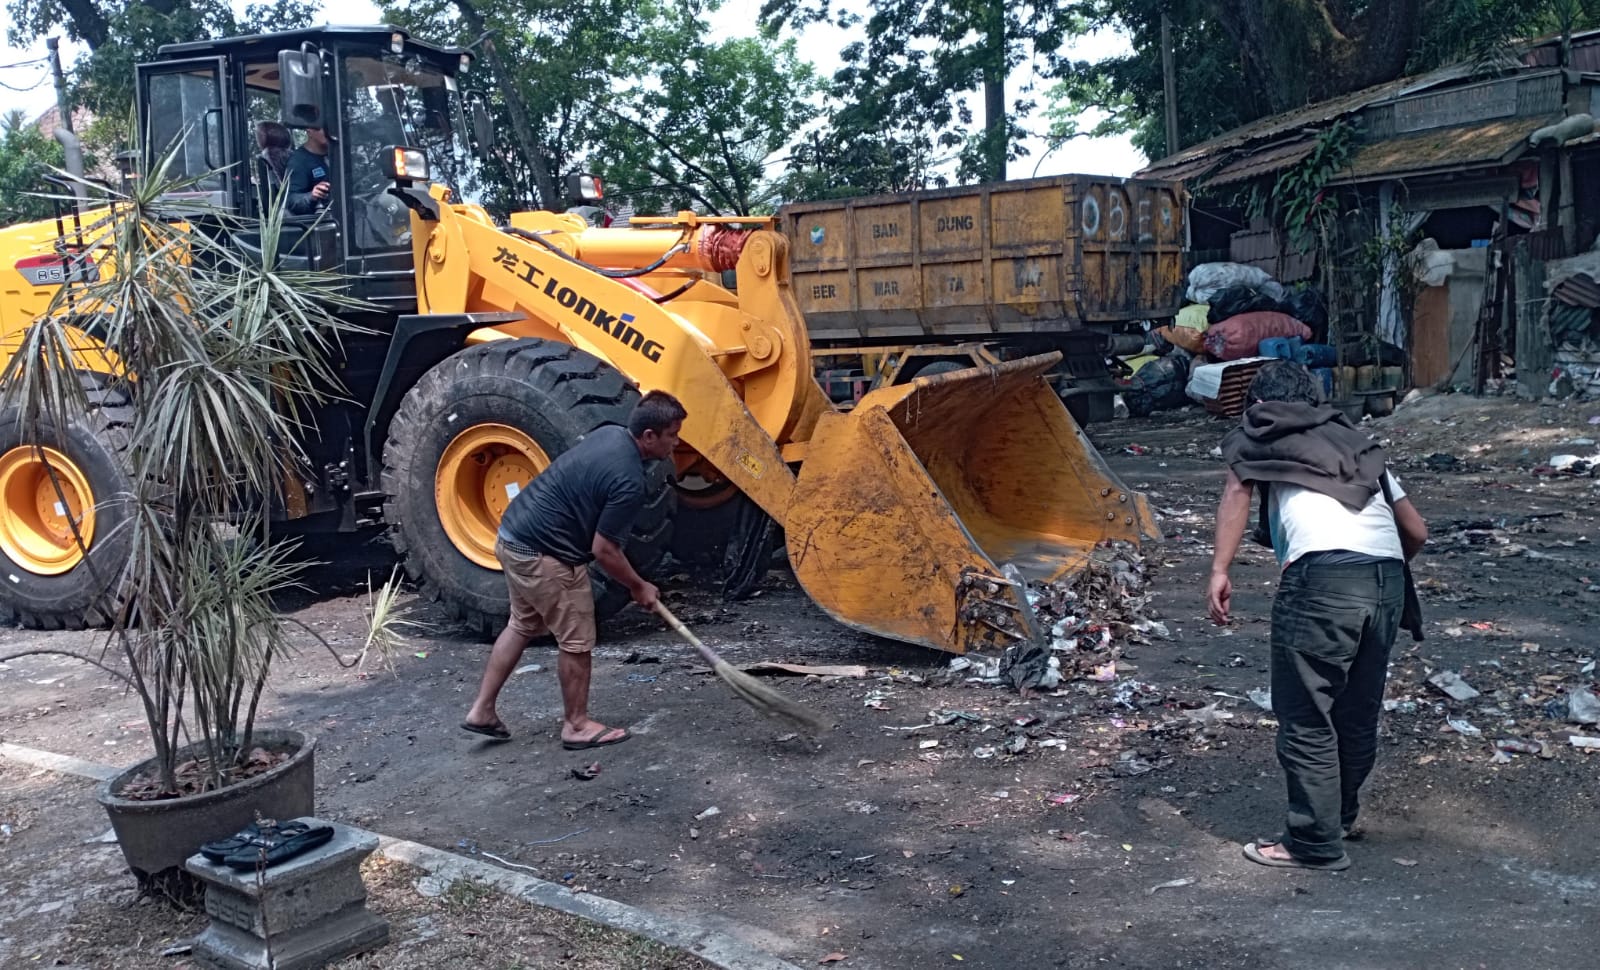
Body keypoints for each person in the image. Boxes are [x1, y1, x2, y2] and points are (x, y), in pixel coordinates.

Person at [1209, 361, 1427, 872]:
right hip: (1386, 576)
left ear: (1256, 404)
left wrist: (1220, 569)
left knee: (1307, 714)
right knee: (1355, 709)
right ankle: (1339, 816)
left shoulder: (1259, 431)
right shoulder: (1357, 442)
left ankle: (1312, 843)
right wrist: (1379, 576)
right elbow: (1415, 530)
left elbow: (1236, 494)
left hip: (1322, 579)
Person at [462, 391, 687, 750]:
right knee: (577, 640)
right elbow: (605, 550)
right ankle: (577, 725)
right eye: (672, 435)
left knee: (522, 624)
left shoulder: (611, 433)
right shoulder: (628, 481)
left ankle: (481, 711)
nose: (676, 442)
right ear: (649, 437)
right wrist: (638, 585)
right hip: (545, 555)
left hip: (512, 536)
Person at [284, 126, 331, 216]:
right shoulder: (298, 161)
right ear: (309, 130)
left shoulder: (339, 154)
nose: (330, 131)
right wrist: (311, 196)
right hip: (318, 222)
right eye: (324, 127)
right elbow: (290, 200)